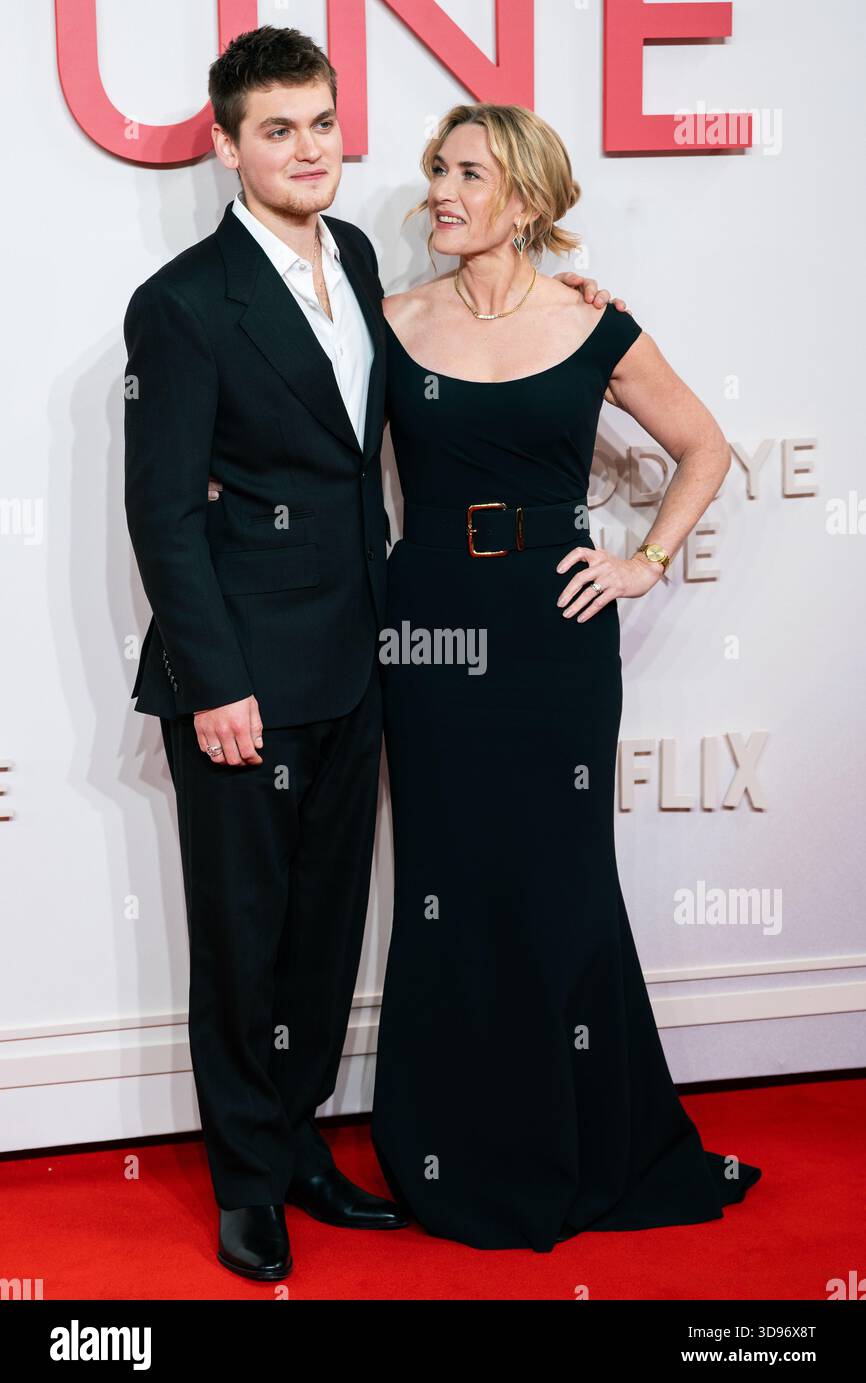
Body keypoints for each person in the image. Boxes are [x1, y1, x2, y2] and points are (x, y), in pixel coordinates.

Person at [126, 26, 620, 1281]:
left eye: (320, 123)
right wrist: (213, 681)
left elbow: (480, 340)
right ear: (228, 145)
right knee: (242, 939)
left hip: (365, 660)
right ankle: (247, 1183)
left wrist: (584, 302)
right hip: (242, 675)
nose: (306, 148)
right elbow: (163, 513)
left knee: (322, 934)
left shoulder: (355, 259)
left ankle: (298, 1149)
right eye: (275, 129)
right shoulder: (182, 302)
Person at [369, 102, 762, 1251]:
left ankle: (582, 1137)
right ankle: (456, 1147)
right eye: (436, 169)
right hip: (429, 624)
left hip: (553, 626)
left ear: (529, 202)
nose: (440, 190)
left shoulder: (597, 327)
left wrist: (642, 561)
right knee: (446, 880)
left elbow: (704, 445)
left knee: (558, 879)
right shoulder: (389, 323)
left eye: (469, 174)